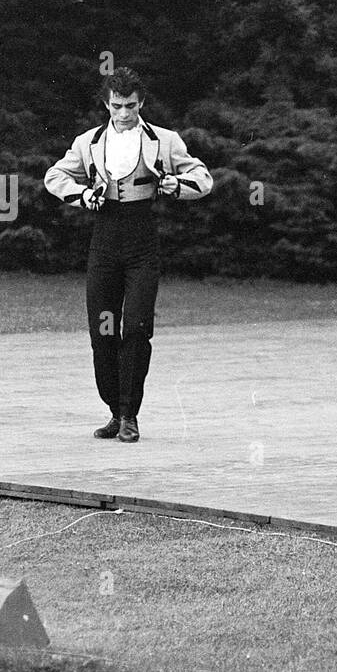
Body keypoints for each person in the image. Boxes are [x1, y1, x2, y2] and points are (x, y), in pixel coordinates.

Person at [44, 67, 213, 441]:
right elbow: (54, 176)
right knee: (102, 330)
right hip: (104, 241)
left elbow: (203, 179)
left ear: (142, 103)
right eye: (117, 106)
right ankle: (113, 410)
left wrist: (175, 184)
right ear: (107, 104)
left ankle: (130, 414)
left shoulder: (164, 141)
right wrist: (82, 195)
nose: (124, 114)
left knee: (136, 329)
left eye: (131, 106)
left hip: (141, 241)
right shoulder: (88, 142)